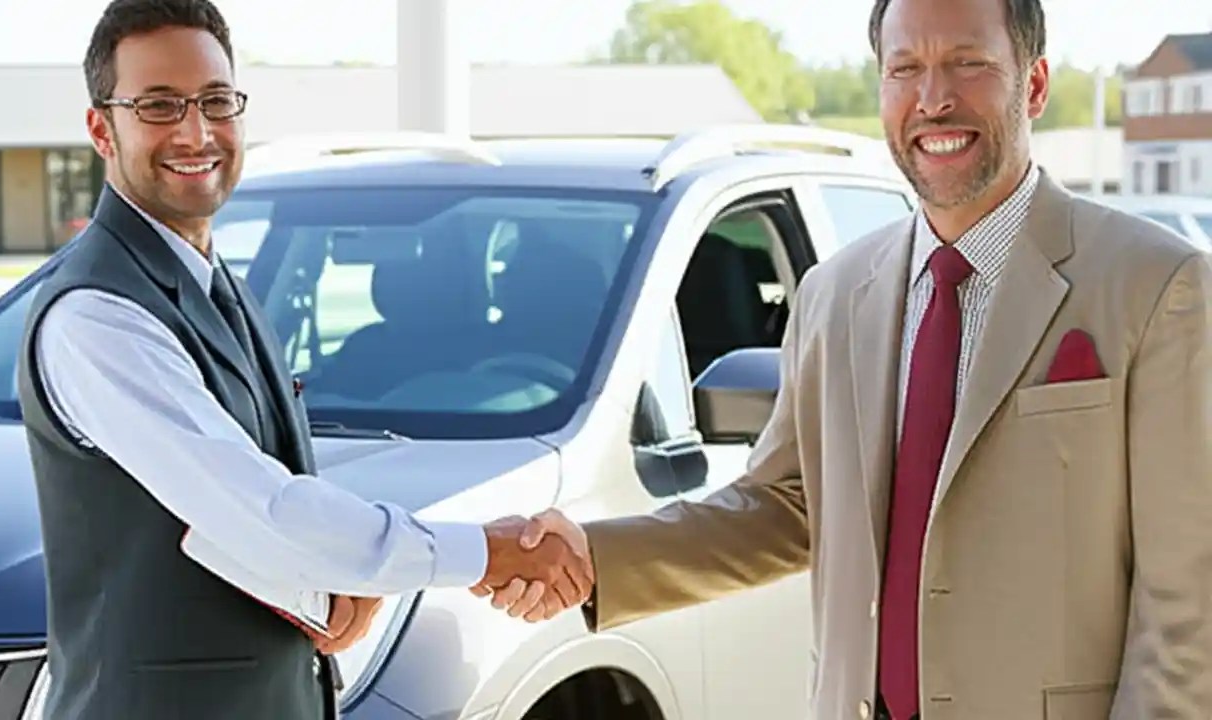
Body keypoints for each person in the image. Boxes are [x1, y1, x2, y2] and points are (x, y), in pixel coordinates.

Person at [478, 0, 1212, 717]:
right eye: (905, 68)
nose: (933, 98)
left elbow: (1187, 605)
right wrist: (593, 558)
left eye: (968, 63)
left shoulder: (1156, 286)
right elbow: (788, 506)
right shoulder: (833, 295)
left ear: (1036, 84)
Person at [15, 2, 589, 719]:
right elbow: (257, 508)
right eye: (159, 106)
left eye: (216, 101)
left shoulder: (218, 286)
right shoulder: (97, 317)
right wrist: (486, 551)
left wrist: (338, 577)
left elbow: (223, 518)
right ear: (102, 129)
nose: (196, 132)